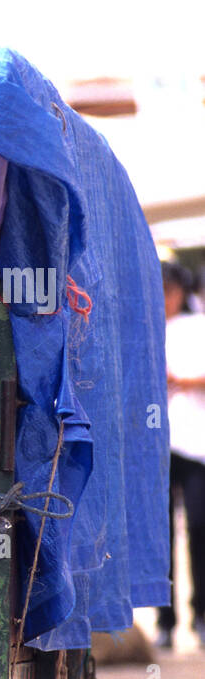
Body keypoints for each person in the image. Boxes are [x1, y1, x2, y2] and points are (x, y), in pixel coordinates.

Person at [158, 261, 205, 650]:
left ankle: (200, 614)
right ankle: (165, 619)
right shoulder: (149, 327)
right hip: (158, 443)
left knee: (199, 528)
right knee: (160, 536)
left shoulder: (197, 327)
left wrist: (180, 381)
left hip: (195, 441)